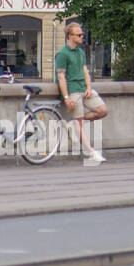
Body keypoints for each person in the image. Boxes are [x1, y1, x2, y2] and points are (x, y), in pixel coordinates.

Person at [56, 21, 107, 165]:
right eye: (79, 35)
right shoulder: (62, 54)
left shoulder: (80, 52)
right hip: (72, 90)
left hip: (83, 88)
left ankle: (76, 122)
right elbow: (61, 77)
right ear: (70, 36)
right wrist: (66, 98)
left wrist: (89, 87)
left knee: (102, 110)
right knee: (78, 120)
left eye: (82, 34)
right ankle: (91, 152)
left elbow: (85, 70)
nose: (82, 36)